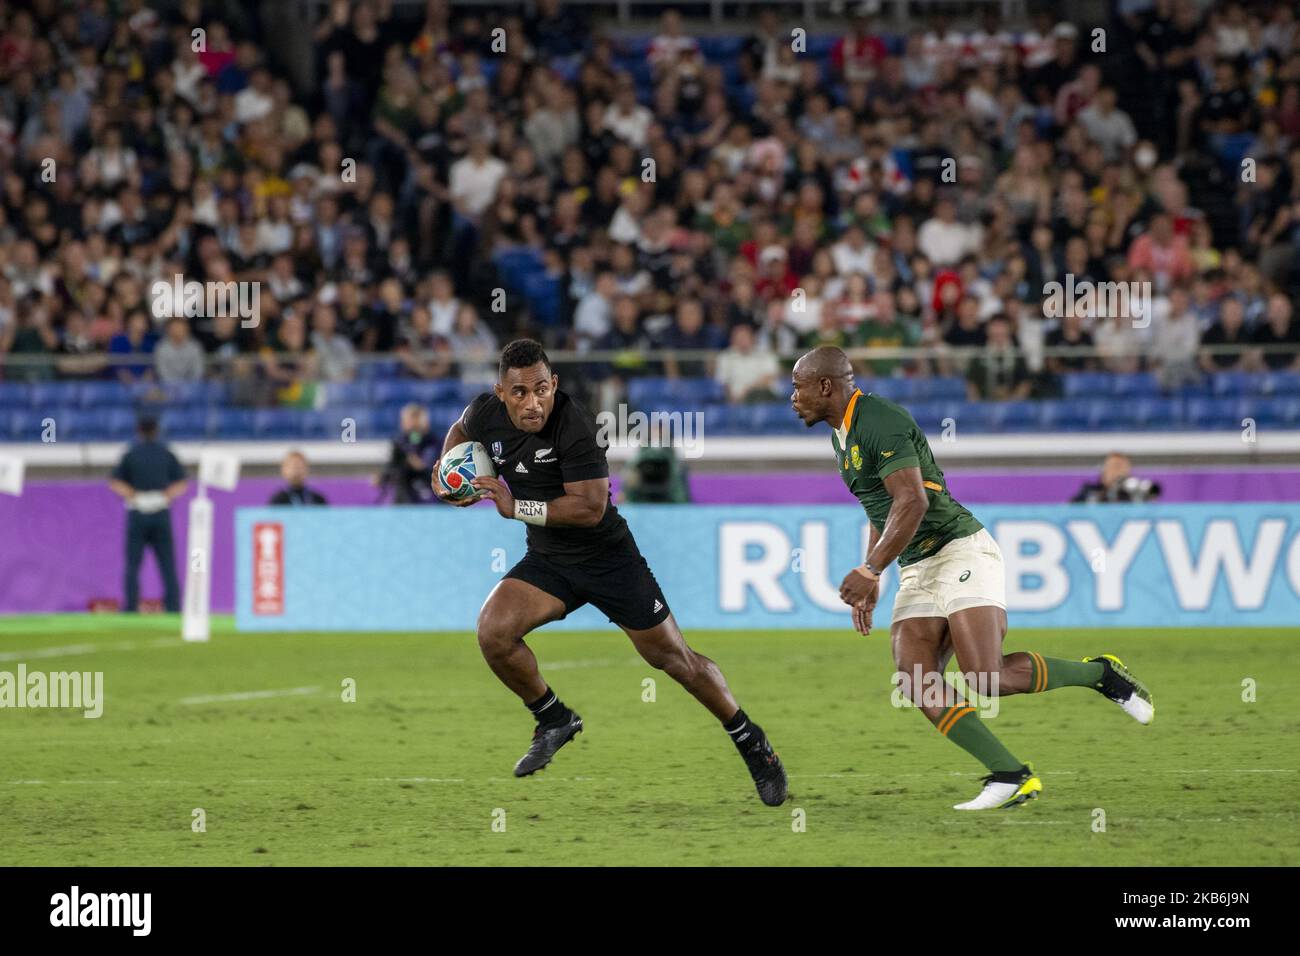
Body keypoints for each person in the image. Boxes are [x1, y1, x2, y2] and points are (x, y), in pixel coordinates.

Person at [789, 346, 1153, 810]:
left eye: (798, 386)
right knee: (916, 679)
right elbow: (882, 509)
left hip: (959, 549)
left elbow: (913, 502)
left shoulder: (879, 419)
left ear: (825, 386)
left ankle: (1099, 673)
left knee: (985, 675)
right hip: (917, 565)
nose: (792, 397)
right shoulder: (842, 434)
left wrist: (870, 568)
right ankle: (1009, 775)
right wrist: (874, 571)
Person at [434, 339, 786, 805]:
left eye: (541, 389)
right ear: (501, 392)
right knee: (493, 633)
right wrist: (448, 475)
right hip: (549, 560)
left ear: (553, 384)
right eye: (519, 392)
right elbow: (459, 431)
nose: (532, 401)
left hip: (607, 558)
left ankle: (750, 740)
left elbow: (589, 508)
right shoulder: (483, 413)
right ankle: (555, 718)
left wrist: (516, 505)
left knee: (675, 660)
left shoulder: (576, 425)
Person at [108, 415, 187, 612]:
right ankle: (174, 606)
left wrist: (132, 495)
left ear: (139, 430)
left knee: (133, 563)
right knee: (167, 562)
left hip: (138, 510)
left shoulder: (131, 453)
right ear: (157, 430)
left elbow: (115, 482)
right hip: (160, 509)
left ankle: (131, 606)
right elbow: (182, 482)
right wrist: (167, 495)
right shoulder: (166, 453)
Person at [378, 403, 439, 503]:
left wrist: (422, 463)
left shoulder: (432, 440)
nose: (413, 423)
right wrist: (383, 477)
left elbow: (429, 461)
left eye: (416, 418)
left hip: (429, 483)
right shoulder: (399, 442)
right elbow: (392, 465)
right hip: (405, 489)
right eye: (410, 419)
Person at [1070, 452, 1162, 503]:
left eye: (1122, 467)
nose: (1117, 472)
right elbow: (1072, 510)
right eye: (1114, 466)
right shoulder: (1088, 491)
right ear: (1104, 470)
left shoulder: (1136, 494)